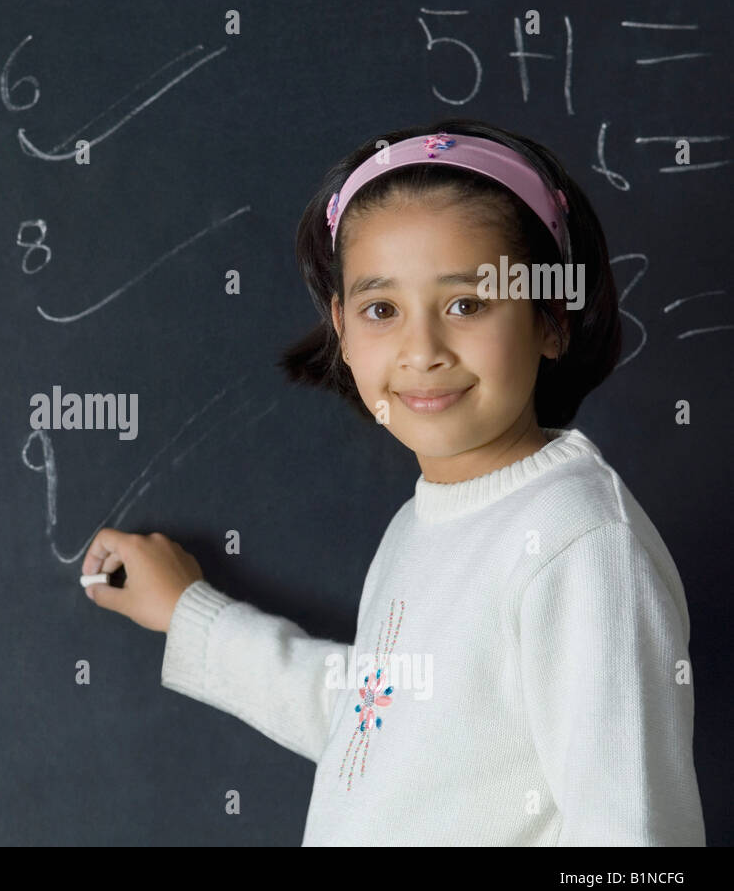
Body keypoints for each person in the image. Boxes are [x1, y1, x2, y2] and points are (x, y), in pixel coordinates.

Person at [80, 118, 705, 846]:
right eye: (383, 310)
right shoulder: (421, 524)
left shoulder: (581, 544)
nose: (421, 350)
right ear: (342, 328)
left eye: (467, 304)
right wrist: (191, 614)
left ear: (551, 320)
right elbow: (377, 725)